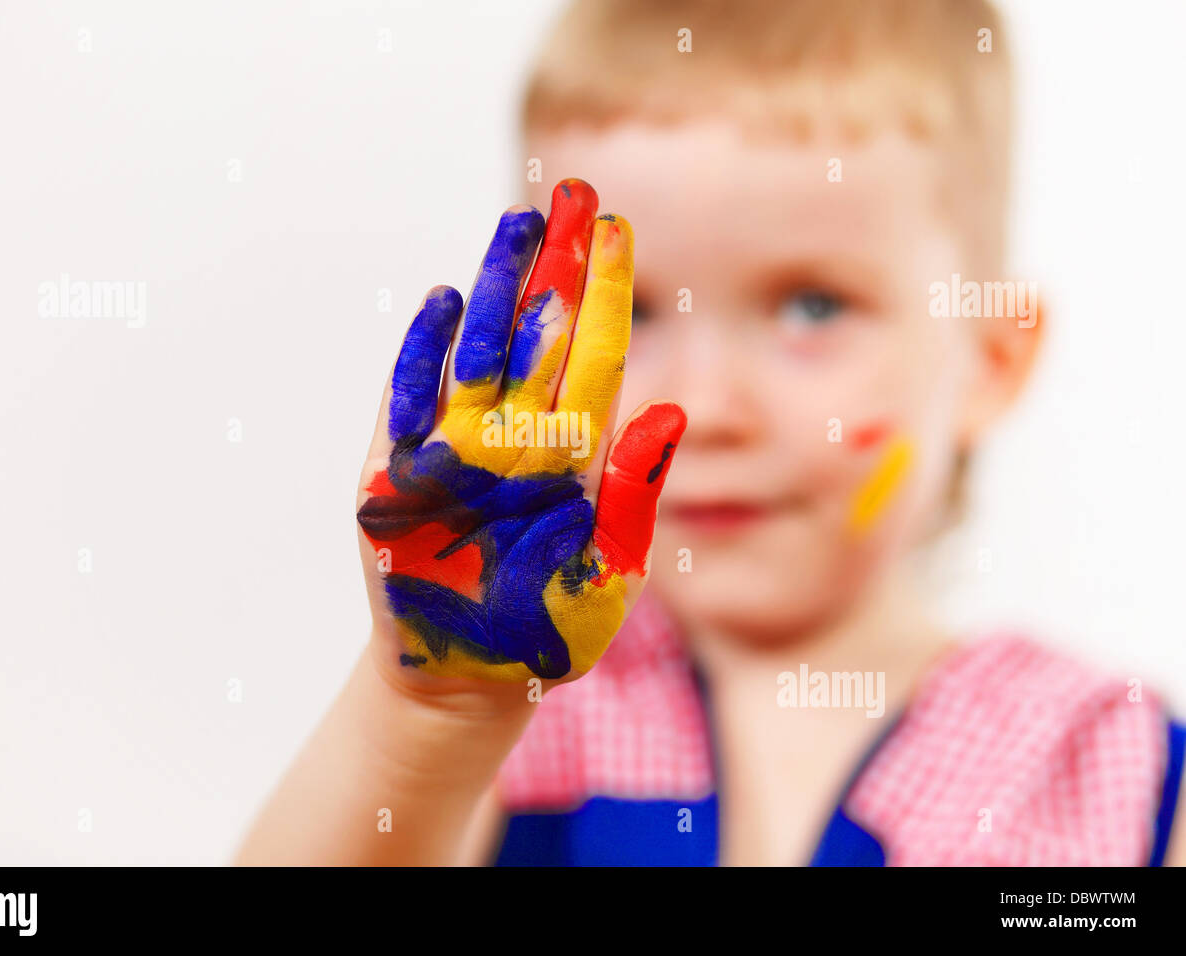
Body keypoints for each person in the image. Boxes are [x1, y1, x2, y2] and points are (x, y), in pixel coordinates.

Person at [236, 0, 1184, 866]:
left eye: (813, 306)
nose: (709, 408)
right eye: (634, 311)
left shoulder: (1104, 766)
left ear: (990, 362)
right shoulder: (518, 718)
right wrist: (428, 720)